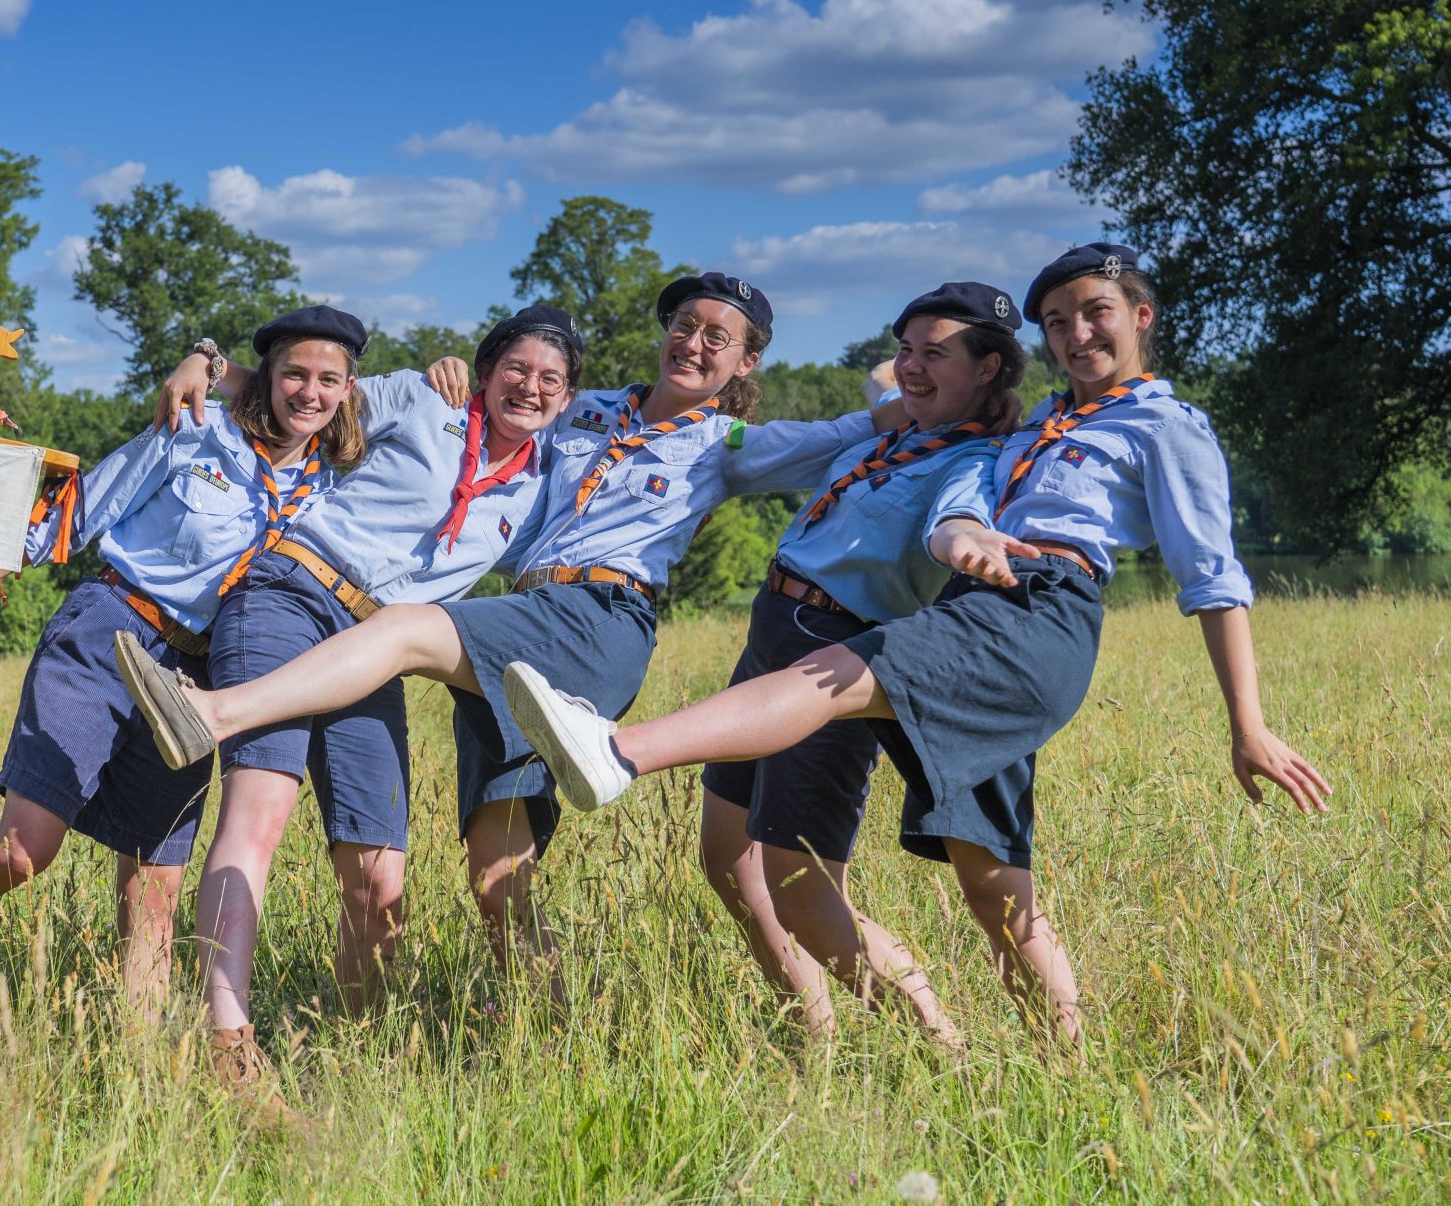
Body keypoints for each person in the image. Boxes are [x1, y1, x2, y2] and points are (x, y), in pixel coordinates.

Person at [507, 245, 1331, 1041]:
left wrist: (1247, 722)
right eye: (1057, 320)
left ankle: (618, 750)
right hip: (941, 613)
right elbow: (952, 492)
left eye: (1095, 313)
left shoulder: (1155, 425)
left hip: (1019, 611)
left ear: (1140, 316)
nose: (1076, 333)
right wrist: (951, 486)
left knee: (819, 791)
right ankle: (1049, 1063)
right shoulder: (1028, 426)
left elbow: (1210, 573)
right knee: (990, 880)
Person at [120, 272, 908, 1012]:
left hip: (599, 617)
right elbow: (460, 399)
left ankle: (219, 713)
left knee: (403, 628)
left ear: (745, 360)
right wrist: (446, 370)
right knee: (497, 874)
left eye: (718, 338)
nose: (694, 343)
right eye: (685, 325)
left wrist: (891, 374)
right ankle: (548, 1031)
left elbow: (876, 421)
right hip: (524, 627)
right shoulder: (583, 409)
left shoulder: (731, 444)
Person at [0, 306, 366, 1022]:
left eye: (327, 380)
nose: (309, 392)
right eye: (295, 373)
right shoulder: (196, 428)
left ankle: (142, 1066)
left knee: (154, 889)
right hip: (108, 631)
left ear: (347, 389)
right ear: (268, 376)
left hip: (193, 681)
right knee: (24, 849)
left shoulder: (332, 490)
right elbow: (83, 508)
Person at [136, 304, 580, 1112]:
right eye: (515, 368)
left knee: (379, 876)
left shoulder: (546, 481)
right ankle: (228, 1043)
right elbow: (294, 392)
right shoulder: (423, 397)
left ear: (565, 397)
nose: (530, 387)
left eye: (551, 379)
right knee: (259, 816)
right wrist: (204, 361)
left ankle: (360, 1058)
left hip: (377, 645)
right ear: (484, 371)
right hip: (288, 593)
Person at [697, 282, 1022, 1047]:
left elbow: (956, 521)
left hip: (834, 652)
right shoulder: (898, 420)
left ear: (989, 368)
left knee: (802, 886)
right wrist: (918, 374)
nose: (909, 366)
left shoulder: (977, 458)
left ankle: (939, 1043)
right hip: (773, 626)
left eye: (934, 354)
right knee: (727, 858)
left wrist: (965, 546)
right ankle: (815, 1037)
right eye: (907, 347)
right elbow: (884, 375)